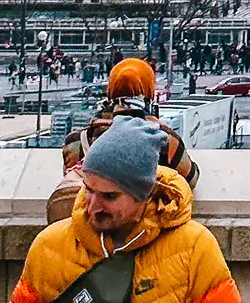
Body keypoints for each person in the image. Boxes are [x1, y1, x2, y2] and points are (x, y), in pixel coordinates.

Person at [0, 114, 250, 303]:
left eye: (109, 196)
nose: (92, 206)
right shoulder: (51, 245)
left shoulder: (193, 248)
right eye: (88, 189)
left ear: (143, 194)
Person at [47, 56, 199, 224]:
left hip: (86, 231)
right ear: (149, 96)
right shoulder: (163, 140)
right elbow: (190, 179)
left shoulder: (76, 140)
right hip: (138, 235)